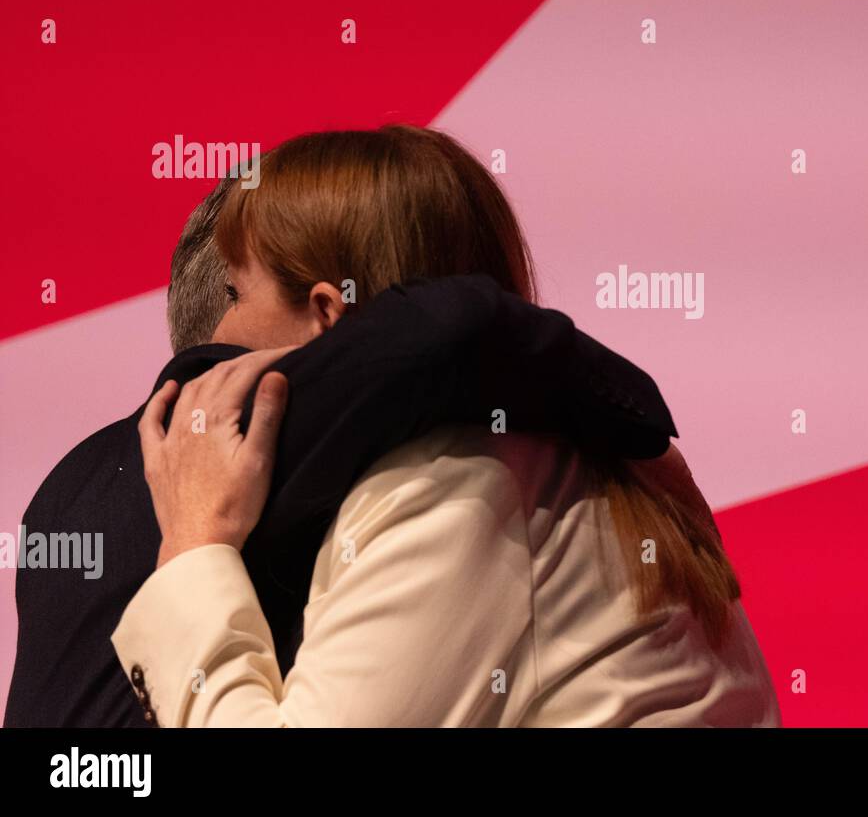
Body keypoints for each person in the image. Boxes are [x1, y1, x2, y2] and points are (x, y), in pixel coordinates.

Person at [111, 125, 782, 726]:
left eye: (234, 294)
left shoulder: (457, 479)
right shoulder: (575, 454)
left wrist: (195, 544)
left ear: (327, 313)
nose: (214, 334)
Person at [5, 169, 683, 726]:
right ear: (331, 314)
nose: (219, 324)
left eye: (237, 291)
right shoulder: (499, 467)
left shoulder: (76, 478)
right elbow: (456, 327)